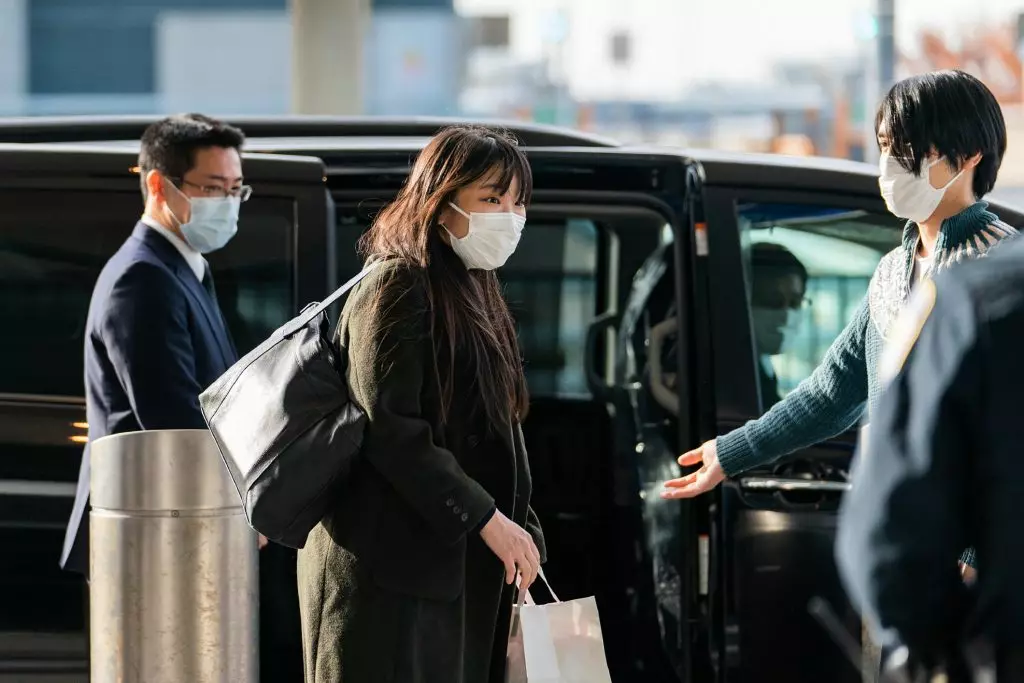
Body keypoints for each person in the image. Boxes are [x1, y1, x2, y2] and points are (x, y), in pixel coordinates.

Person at [660, 71, 1016, 541]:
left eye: (911, 151)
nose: (890, 165)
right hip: (897, 546)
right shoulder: (892, 272)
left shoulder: (1005, 271)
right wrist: (731, 453)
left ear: (970, 155)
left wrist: (976, 558)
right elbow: (832, 394)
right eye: (886, 147)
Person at [296, 126, 546, 683]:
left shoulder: (474, 284)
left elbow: (495, 428)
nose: (509, 216)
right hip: (388, 572)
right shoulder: (398, 283)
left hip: (443, 568)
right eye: (491, 199)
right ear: (441, 201)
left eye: (517, 202)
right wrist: (485, 517)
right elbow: (393, 427)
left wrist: (519, 527)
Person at [60, 114, 302, 680]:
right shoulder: (140, 279)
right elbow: (174, 419)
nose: (228, 202)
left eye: (234, 188)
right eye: (211, 188)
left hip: (183, 518)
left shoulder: (184, 269)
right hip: (153, 522)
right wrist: (250, 507)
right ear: (157, 185)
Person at [835, 234, 1024, 680]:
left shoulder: (981, 295)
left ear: (971, 159)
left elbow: (888, 545)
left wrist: (953, 654)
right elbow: (831, 386)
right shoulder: (904, 276)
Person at [749, 242, 809, 411]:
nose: (786, 315)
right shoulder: (735, 371)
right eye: (773, 301)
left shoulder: (762, 363)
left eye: (795, 303)